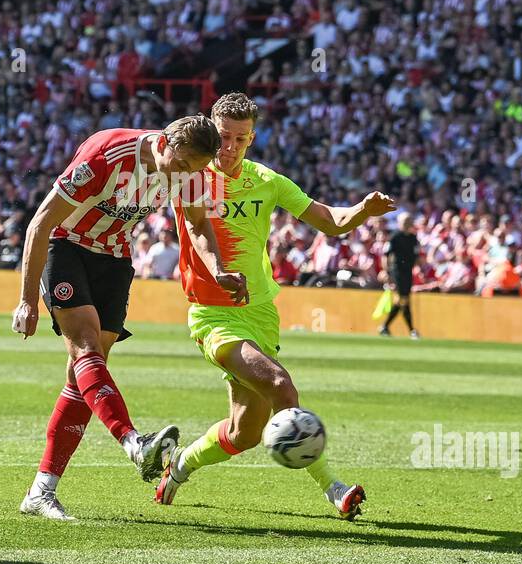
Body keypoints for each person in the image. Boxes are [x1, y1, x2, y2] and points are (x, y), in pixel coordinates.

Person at [155, 94, 396, 520]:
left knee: (243, 433)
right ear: (211, 130)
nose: (229, 147)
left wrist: (364, 210)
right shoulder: (190, 174)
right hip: (213, 313)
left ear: (252, 139)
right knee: (281, 384)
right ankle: (333, 488)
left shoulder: (267, 180)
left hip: (261, 311)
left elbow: (330, 222)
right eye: (224, 137)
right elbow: (194, 230)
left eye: (240, 139)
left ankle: (180, 465)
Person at [12, 115, 247, 520]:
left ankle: (40, 492)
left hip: (115, 258)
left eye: (195, 169)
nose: (186, 175)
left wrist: (218, 267)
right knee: (86, 348)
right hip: (66, 246)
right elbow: (40, 223)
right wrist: (28, 300)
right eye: (183, 164)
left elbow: (198, 222)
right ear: (164, 143)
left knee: (83, 375)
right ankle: (134, 443)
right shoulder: (107, 154)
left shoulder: (189, 170)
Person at [380, 212, 420, 338]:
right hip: (397, 271)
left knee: (402, 300)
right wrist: (386, 272)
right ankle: (411, 330)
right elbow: (386, 255)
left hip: (408, 272)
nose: (407, 223)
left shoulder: (414, 238)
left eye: (409, 221)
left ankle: (385, 326)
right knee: (403, 299)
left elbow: (416, 255)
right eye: (404, 221)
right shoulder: (395, 236)